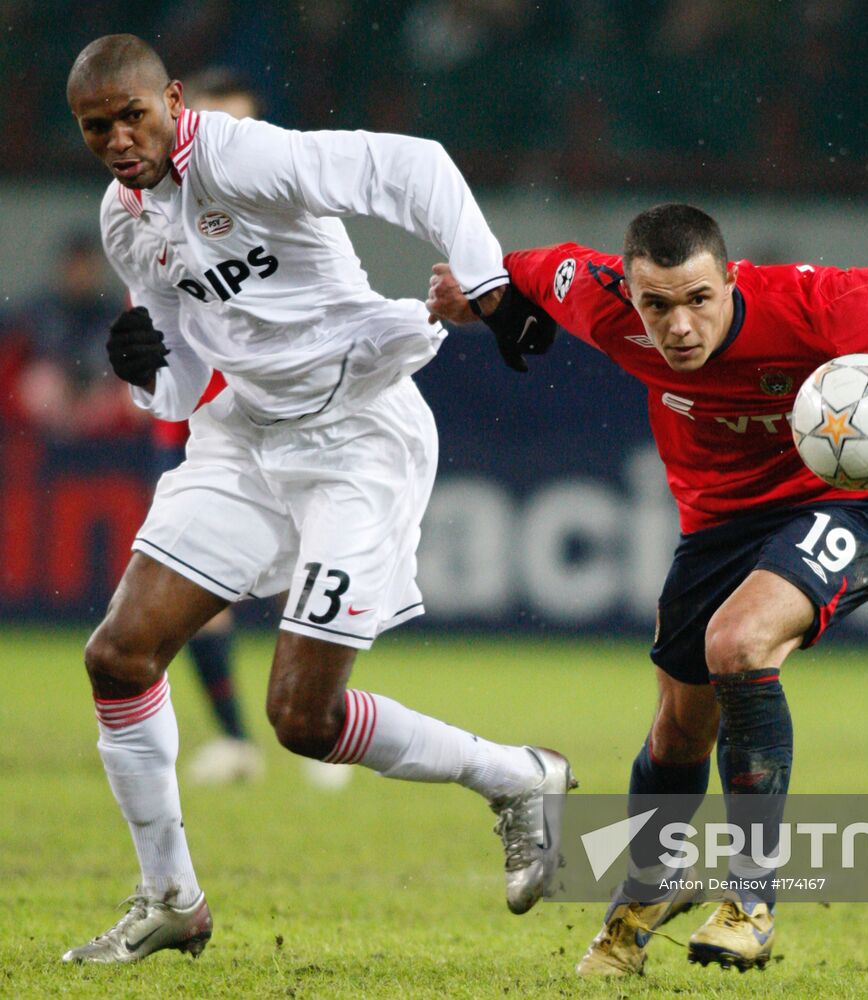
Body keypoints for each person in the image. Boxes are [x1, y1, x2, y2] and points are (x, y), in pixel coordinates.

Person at [427, 203, 868, 975]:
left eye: (698, 299)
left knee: (737, 644)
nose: (678, 327)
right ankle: (653, 880)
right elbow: (521, 270)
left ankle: (751, 902)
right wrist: (480, 296)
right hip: (716, 527)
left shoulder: (822, 311)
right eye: (656, 305)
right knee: (678, 728)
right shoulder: (595, 298)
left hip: (848, 504)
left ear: (730, 281)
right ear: (628, 293)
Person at [62, 34, 575, 964]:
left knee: (304, 720)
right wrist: (144, 373)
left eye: (132, 116)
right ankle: (170, 898)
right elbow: (183, 377)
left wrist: (490, 286)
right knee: (119, 657)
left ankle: (514, 776)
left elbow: (414, 167)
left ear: (171, 101)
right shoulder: (123, 217)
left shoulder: (239, 155)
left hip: (356, 437)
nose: (119, 140)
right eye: (97, 128)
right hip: (246, 437)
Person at [152, 68, 263, 787]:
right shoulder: (150, 217)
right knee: (195, 594)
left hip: (286, 423)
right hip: (199, 431)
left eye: (239, 128)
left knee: (309, 582)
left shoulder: (286, 208)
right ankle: (236, 740)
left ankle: (322, 721)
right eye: (211, 125)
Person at [13, 231, 148, 441]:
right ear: (65, 269)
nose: (82, 274)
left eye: (88, 268)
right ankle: (54, 446)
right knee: (43, 384)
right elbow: (28, 364)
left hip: (101, 393)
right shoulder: (43, 310)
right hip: (58, 398)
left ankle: (119, 450)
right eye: (77, 267)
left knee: (137, 395)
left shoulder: (112, 311)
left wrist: (99, 385)